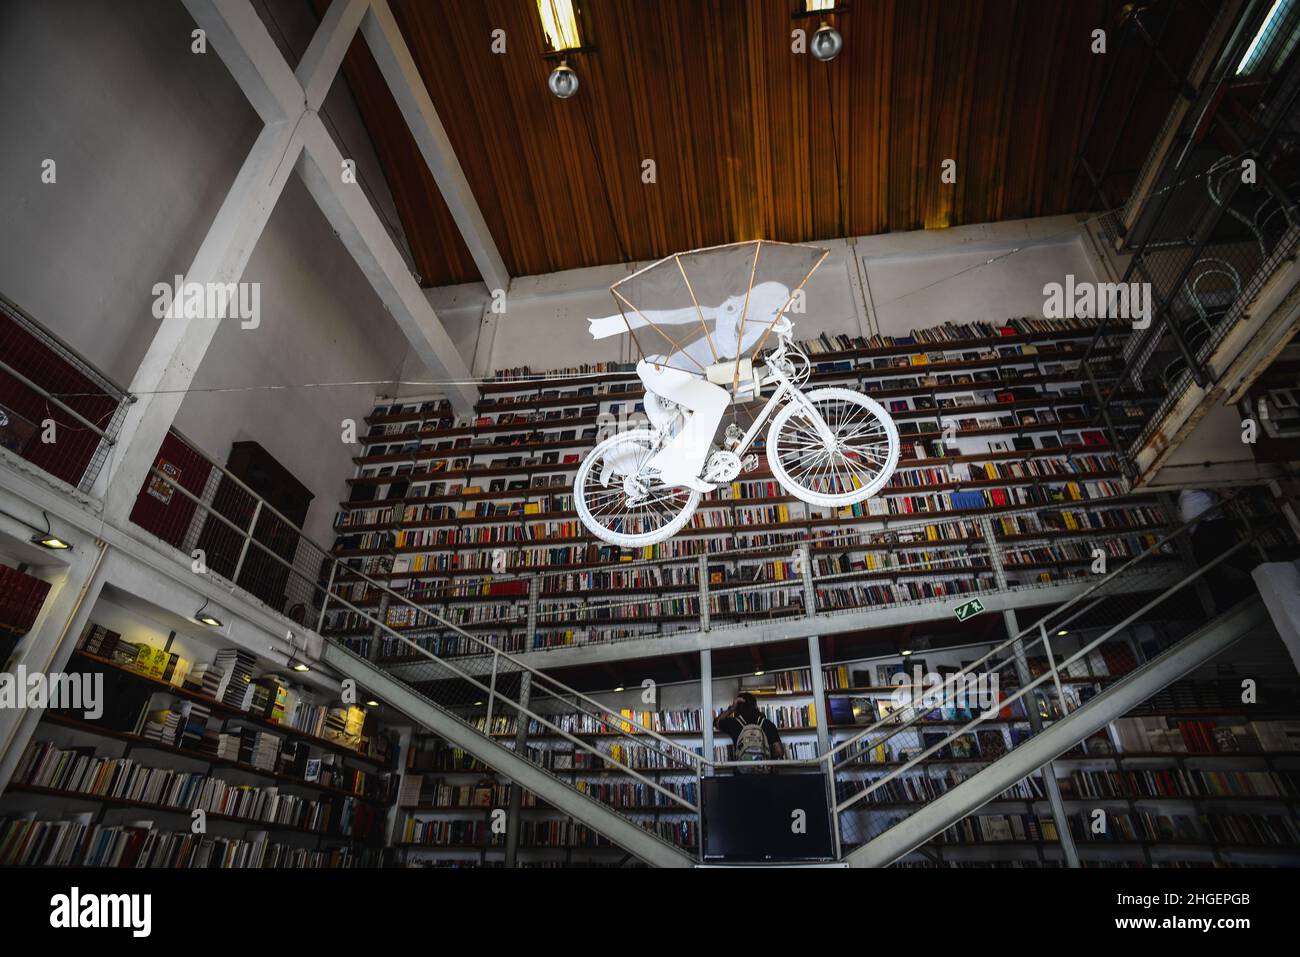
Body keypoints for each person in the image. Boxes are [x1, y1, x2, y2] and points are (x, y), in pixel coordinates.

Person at [588, 282, 792, 492]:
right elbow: (725, 344)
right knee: (718, 399)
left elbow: (733, 375)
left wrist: (777, 347)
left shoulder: (746, 323)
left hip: (679, 377)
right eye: (774, 307)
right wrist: (768, 326)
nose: (775, 311)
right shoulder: (729, 313)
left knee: (713, 409)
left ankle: (675, 467)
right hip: (663, 369)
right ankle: (683, 470)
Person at [714, 692, 785, 771]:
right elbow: (779, 752)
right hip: (765, 775)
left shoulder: (734, 723)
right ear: (755, 705)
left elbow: (716, 722)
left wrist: (732, 708)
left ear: (738, 707)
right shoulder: (767, 723)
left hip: (742, 775)